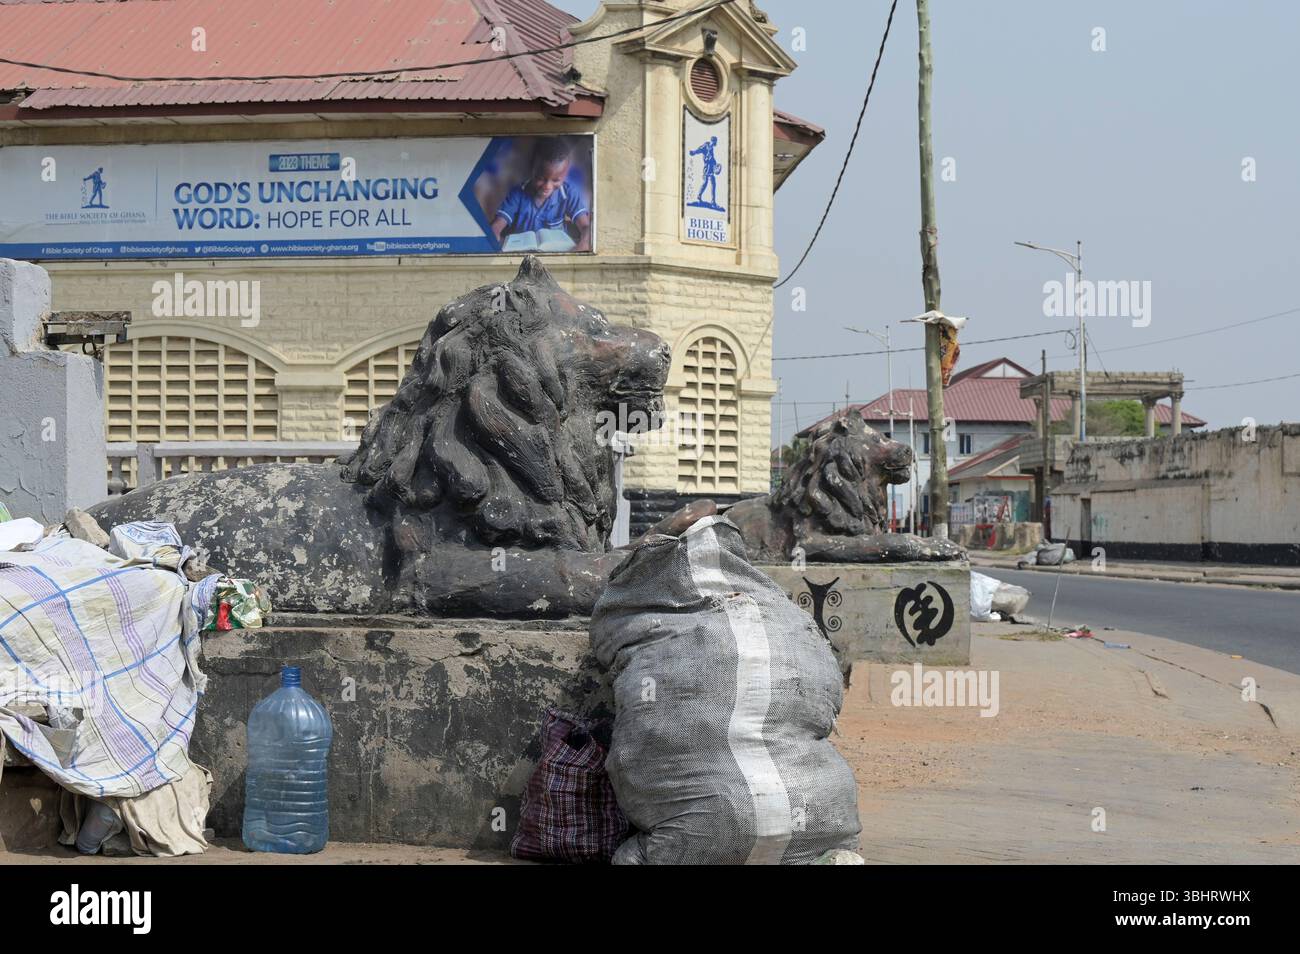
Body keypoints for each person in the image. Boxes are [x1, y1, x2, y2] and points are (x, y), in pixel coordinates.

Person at [491, 139, 591, 251]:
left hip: (557, 256)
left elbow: (586, 227)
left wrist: (583, 244)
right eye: (540, 178)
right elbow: (497, 225)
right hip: (522, 256)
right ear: (531, 170)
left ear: (565, 175)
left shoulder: (569, 193)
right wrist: (494, 238)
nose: (547, 186)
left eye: (556, 180)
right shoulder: (517, 193)